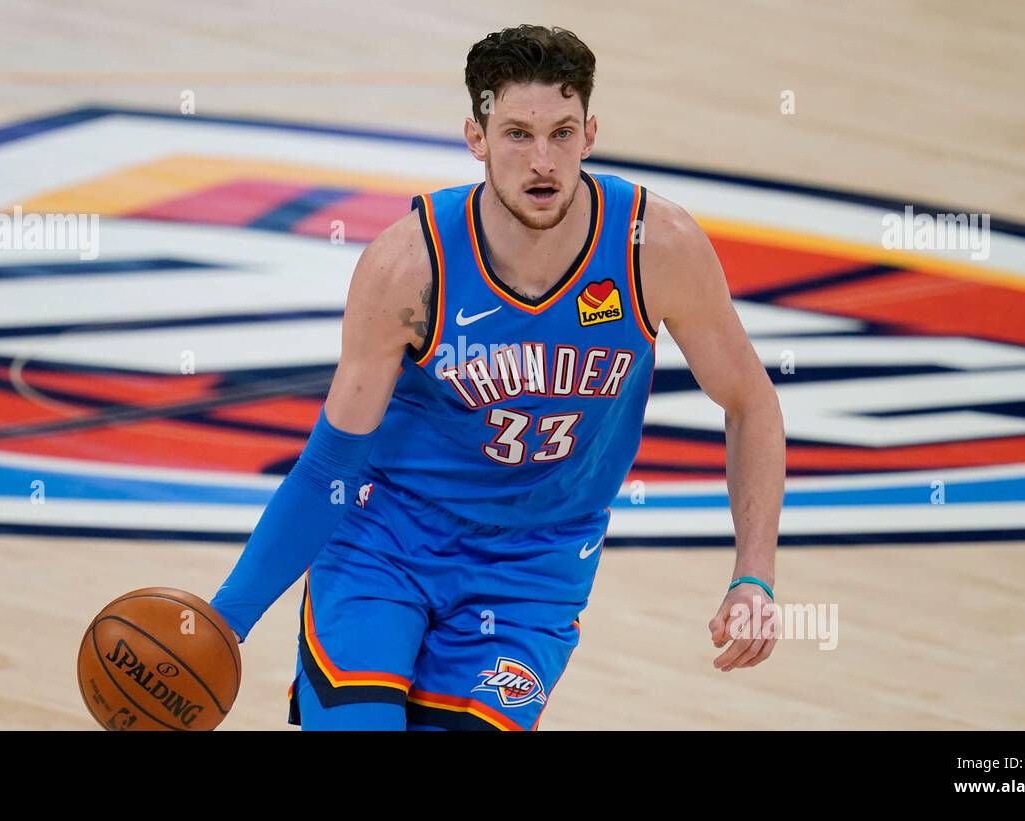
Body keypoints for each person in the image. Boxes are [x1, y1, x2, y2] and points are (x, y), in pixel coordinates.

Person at [210, 24, 786, 731]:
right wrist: (226, 618)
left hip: (534, 564)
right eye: (517, 133)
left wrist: (753, 571)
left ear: (591, 133)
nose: (542, 161)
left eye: (562, 133)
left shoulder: (654, 249)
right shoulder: (409, 268)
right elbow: (332, 460)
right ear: (476, 137)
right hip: (389, 539)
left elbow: (750, 402)